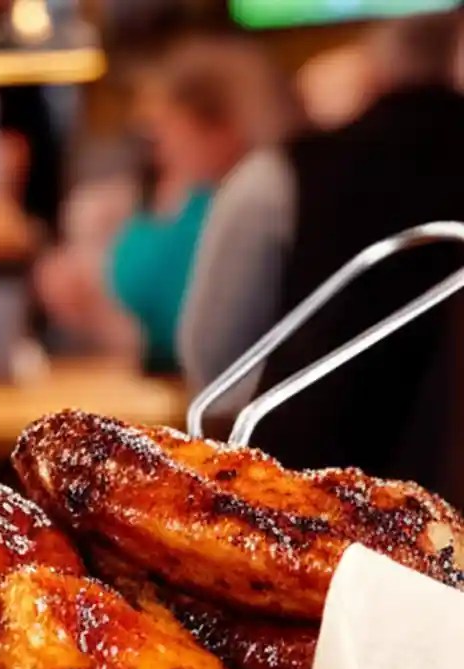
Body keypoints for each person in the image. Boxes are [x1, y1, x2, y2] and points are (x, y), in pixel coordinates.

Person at [181, 14, 464, 497]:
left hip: (299, 496)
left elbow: (212, 361)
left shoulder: (284, 172)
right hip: (444, 508)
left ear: (372, 75)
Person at [41, 37, 293, 371]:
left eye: (166, 130)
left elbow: (200, 350)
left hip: (204, 403)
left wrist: (94, 310)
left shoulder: (245, 206)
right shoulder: (188, 200)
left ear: (220, 128)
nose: (159, 149)